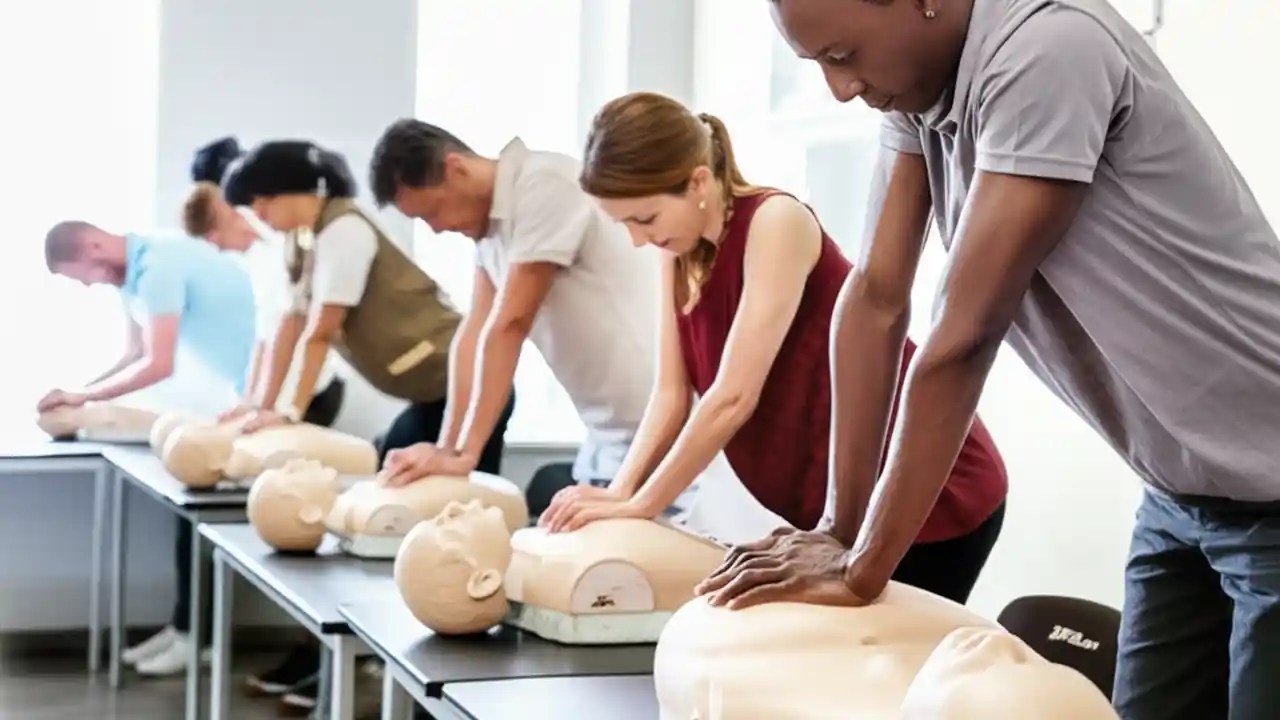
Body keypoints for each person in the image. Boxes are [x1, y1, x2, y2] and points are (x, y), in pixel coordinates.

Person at [699, 1, 1280, 718]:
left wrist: (862, 569)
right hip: (1175, 495)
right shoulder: (922, 96)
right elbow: (877, 300)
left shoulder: (1048, 48)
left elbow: (964, 334)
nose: (838, 89)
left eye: (843, 56)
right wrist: (837, 528)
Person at [546, 91, 1006, 604]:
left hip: (926, 493)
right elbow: (673, 394)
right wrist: (621, 492)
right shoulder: (676, 252)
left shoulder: (774, 221)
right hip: (841, 512)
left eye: (645, 219)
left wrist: (646, 503)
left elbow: (734, 396)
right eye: (625, 224)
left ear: (699, 181)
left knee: (878, 671)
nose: (636, 239)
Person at [368, 119, 665, 518]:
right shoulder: (491, 231)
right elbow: (474, 333)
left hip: (668, 426)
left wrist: (465, 454)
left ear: (457, 168)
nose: (437, 229)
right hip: (611, 439)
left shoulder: (544, 185)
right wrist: (446, 448)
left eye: (433, 212)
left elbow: (511, 324)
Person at [39, 221, 256, 677]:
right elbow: (132, 355)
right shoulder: (130, 280)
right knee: (185, 521)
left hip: (246, 404)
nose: (85, 284)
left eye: (81, 275)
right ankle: (184, 630)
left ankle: (198, 637)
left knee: (199, 524)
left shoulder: (159, 268)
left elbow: (159, 363)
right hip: (214, 407)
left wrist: (85, 399)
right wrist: (78, 392)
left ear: (95, 247)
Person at [221, 140, 510, 466]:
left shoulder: (344, 229)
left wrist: (289, 414)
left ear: (301, 190)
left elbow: (321, 331)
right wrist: (260, 406)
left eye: (267, 200)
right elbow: (289, 325)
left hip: (468, 385)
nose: (259, 213)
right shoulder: (302, 241)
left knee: (439, 489)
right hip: (430, 395)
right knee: (392, 465)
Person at [185, 137, 348, 707]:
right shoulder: (272, 251)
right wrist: (254, 400)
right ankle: (313, 662)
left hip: (310, 399)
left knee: (307, 533)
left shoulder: (313, 238)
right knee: (285, 537)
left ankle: (324, 664)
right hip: (282, 401)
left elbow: (304, 332)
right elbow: (267, 336)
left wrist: (282, 408)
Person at [184, 137, 346, 429]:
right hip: (280, 392)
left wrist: (265, 405)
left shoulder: (285, 243)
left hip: (313, 390)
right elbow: (265, 336)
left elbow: (290, 327)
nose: (218, 250)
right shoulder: (254, 256)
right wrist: (250, 402)